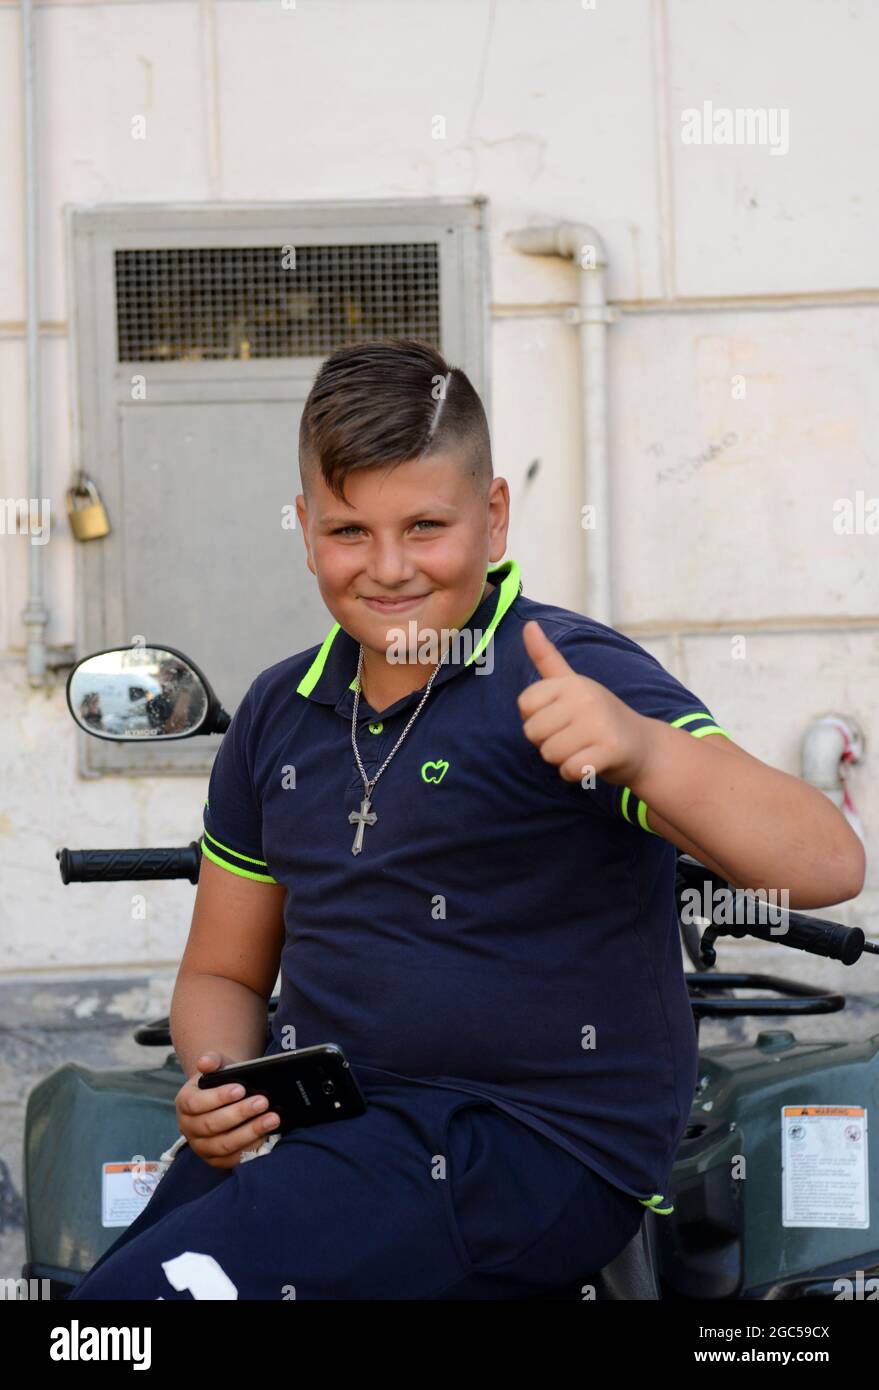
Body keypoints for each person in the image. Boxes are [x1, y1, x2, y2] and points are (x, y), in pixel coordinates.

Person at [68, 338, 865, 1301]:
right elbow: (225, 969)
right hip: (331, 1129)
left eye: (425, 525)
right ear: (304, 527)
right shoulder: (278, 712)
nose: (390, 567)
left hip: (532, 1144)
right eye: (350, 531)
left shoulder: (567, 672)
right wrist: (224, 1082)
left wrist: (646, 751)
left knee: (144, 1310)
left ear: (492, 520)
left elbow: (824, 861)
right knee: (93, 1314)